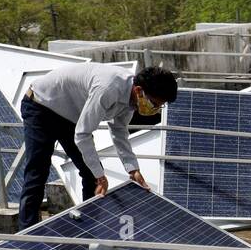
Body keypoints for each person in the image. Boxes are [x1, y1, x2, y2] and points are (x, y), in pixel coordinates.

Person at [17, 62, 178, 229]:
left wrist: (132, 169)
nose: (156, 109)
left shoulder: (131, 99)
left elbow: (119, 130)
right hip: (41, 105)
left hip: (70, 116)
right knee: (37, 172)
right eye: (155, 104)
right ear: (139, 90)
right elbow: (82, 134)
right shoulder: (108, 88)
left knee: (91, 175)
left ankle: (88, 230)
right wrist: (100, 176)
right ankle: (26, 234)